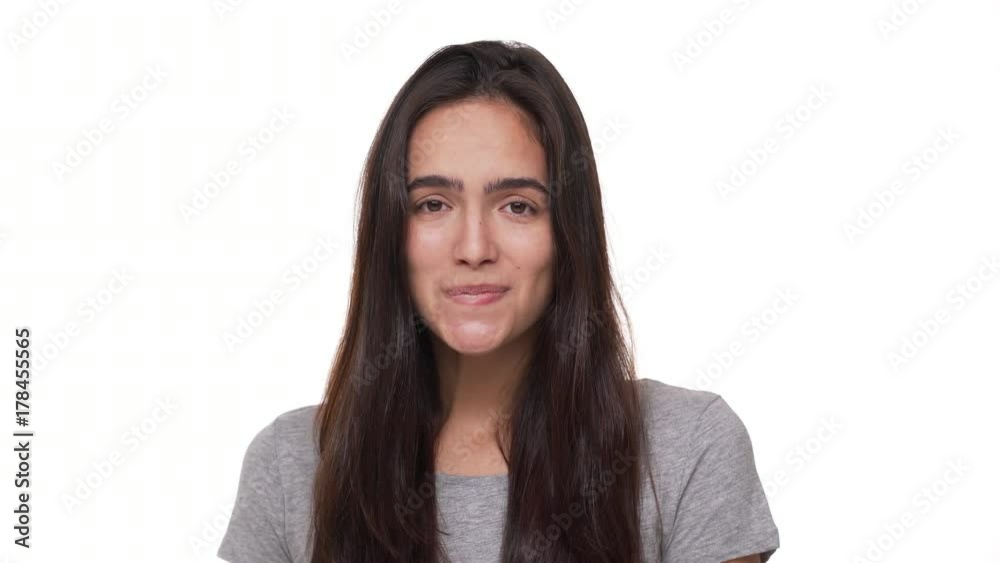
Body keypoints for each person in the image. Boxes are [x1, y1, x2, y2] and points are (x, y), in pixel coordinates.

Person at [217, 39, 780, 563]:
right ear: (390, 233)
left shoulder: (686, 447)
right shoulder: (292, 465)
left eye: (517, 206)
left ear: (568, 233)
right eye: (433, 204)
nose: (474, 248)